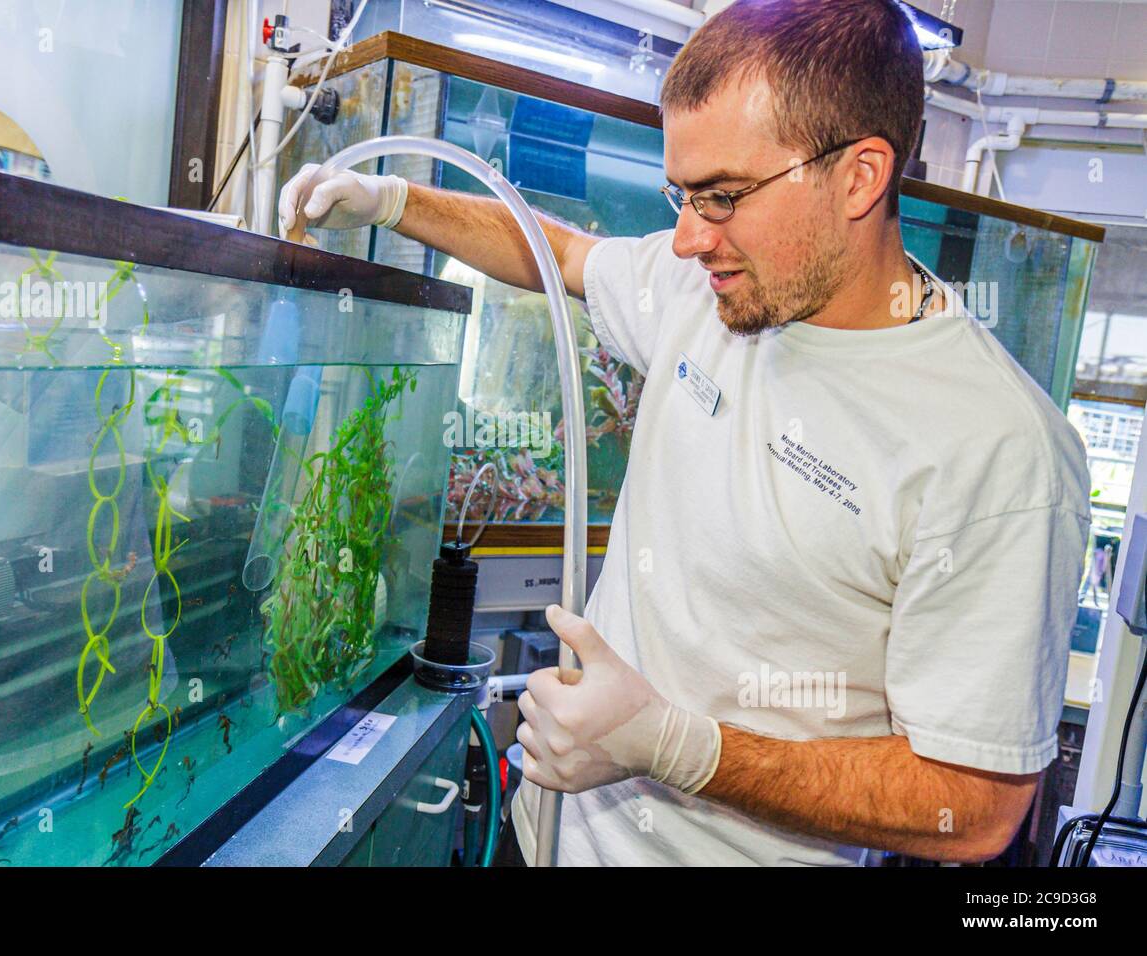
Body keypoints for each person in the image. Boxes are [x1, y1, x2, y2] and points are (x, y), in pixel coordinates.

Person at [278, 0, 1091, 866]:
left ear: (860, 176)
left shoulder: (999, 455)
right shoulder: (708, 291)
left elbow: (971, 808)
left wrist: (677, 748)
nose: (688, 237)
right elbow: (558, 256)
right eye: (682, 193)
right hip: (549, 836)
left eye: (724, 197)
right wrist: (392, 200)